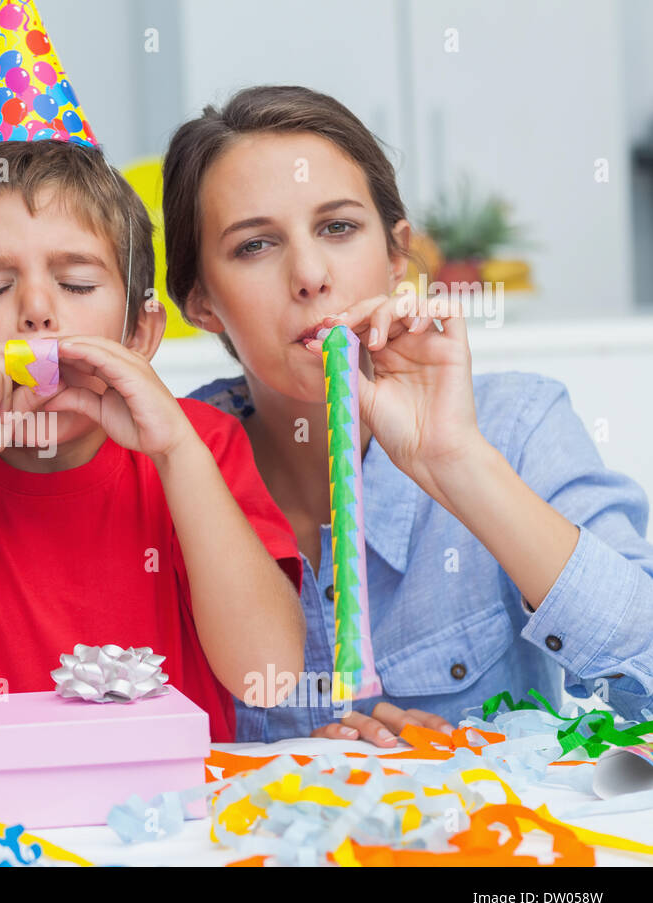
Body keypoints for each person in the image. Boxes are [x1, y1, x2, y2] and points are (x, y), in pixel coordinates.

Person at [162, 85, 653, 745]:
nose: (309, 275)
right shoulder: (156, 466)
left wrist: (457, 463)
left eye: (337, 227)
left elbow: (644, 674)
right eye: (255, 245)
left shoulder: (519, 425)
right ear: (201, 302)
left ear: (397, 257)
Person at [0, 137, 306, 744]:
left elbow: (270, 675)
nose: (39, 312)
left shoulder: (201, 445)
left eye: (76, 283)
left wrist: (178, 454)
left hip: (176, 821)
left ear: (140, 332)